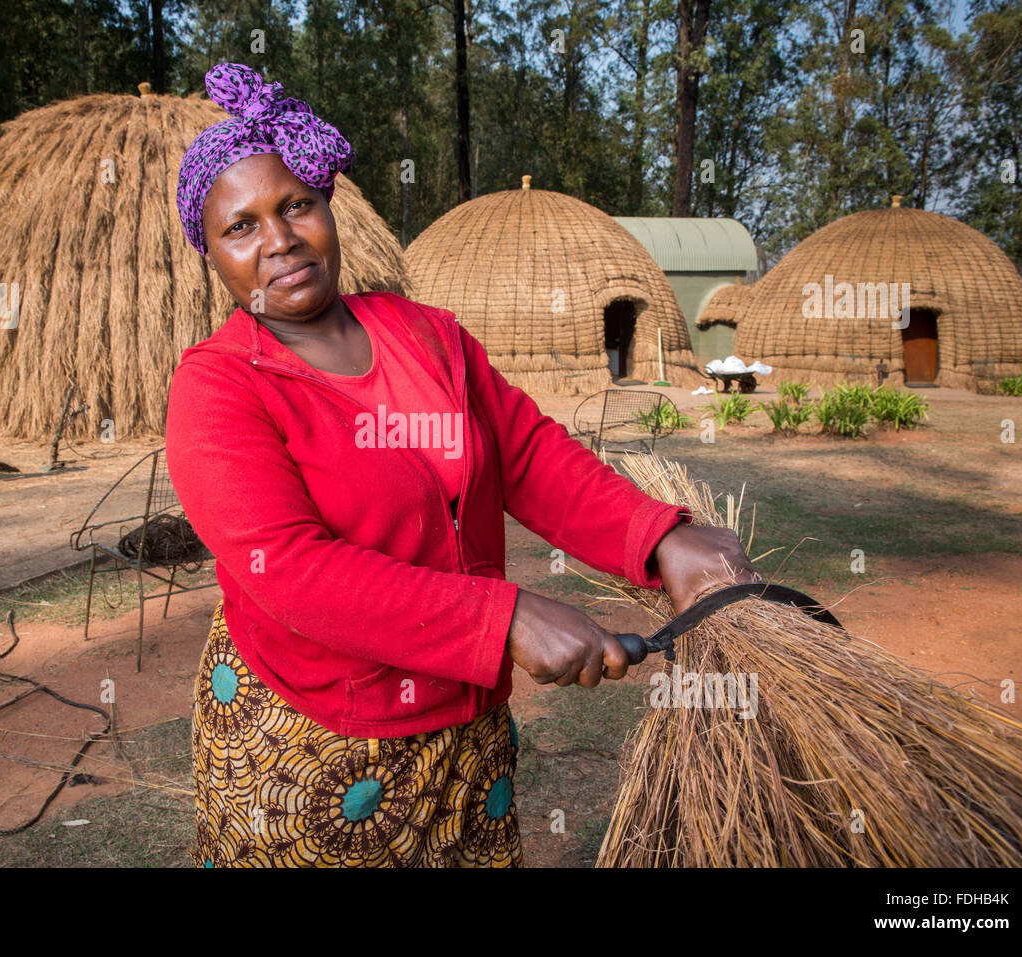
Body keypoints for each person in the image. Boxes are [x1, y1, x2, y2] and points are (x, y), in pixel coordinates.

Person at [165, 62, 759, 868]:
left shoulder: (427, 335)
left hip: (466, 730)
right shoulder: (219, 385)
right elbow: (294, 572)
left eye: (296, 204)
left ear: (328, 207)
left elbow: (526, 455)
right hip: (311, 740)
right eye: (242, 226)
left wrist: (657, 537)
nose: (278, 240)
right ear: (213, 253)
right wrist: (503, 617)